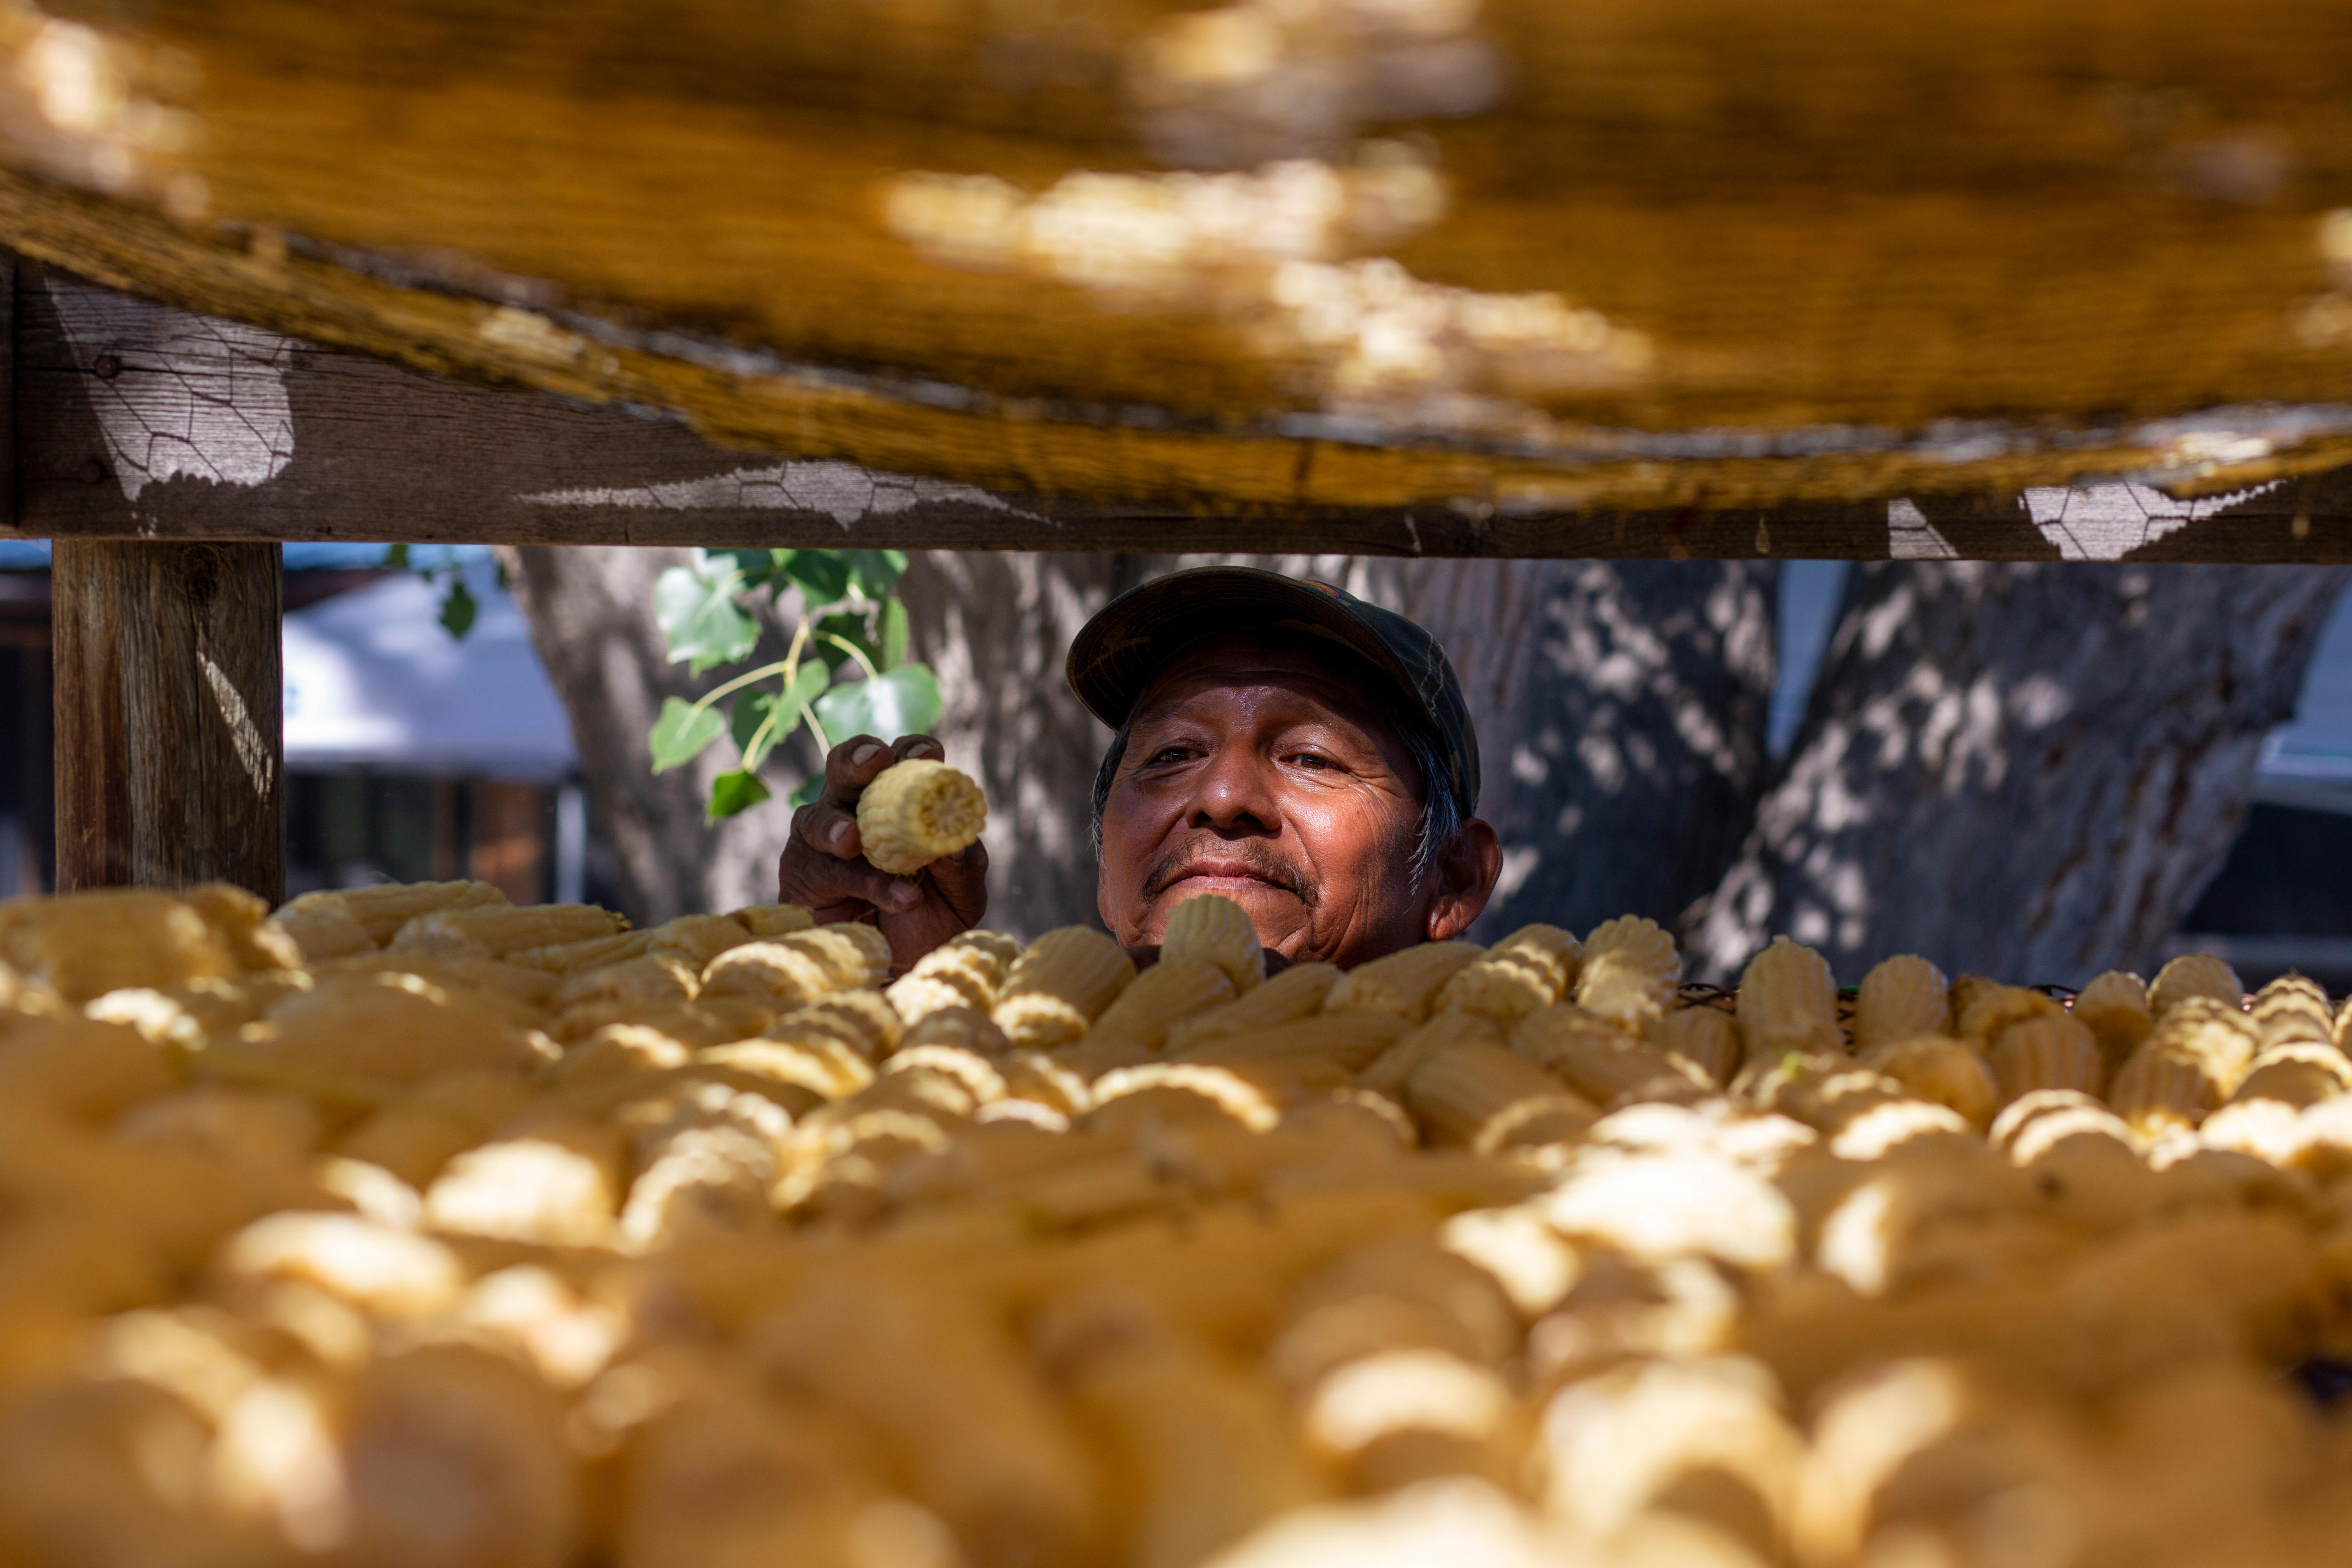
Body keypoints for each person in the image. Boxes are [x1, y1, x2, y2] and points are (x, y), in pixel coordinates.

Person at [778, 565, 1502, 972]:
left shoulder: (1539, 1129)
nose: (1221, 798)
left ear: (1454, 876)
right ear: (1105, 874)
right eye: (1172, 755)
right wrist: (901, 981)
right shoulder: (1014, 1082)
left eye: (1312, 757)